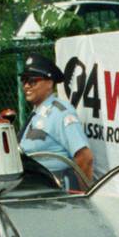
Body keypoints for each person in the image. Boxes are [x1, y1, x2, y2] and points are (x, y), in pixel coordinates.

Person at [18, 55, 93, 187]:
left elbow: (84, 157)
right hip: (33, 186)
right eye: (23, 81)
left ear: (49, 83)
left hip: (53, 191)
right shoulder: (37, 113)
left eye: (32, 81)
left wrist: (81, 199)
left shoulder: (61, 113)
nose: (26, 86)